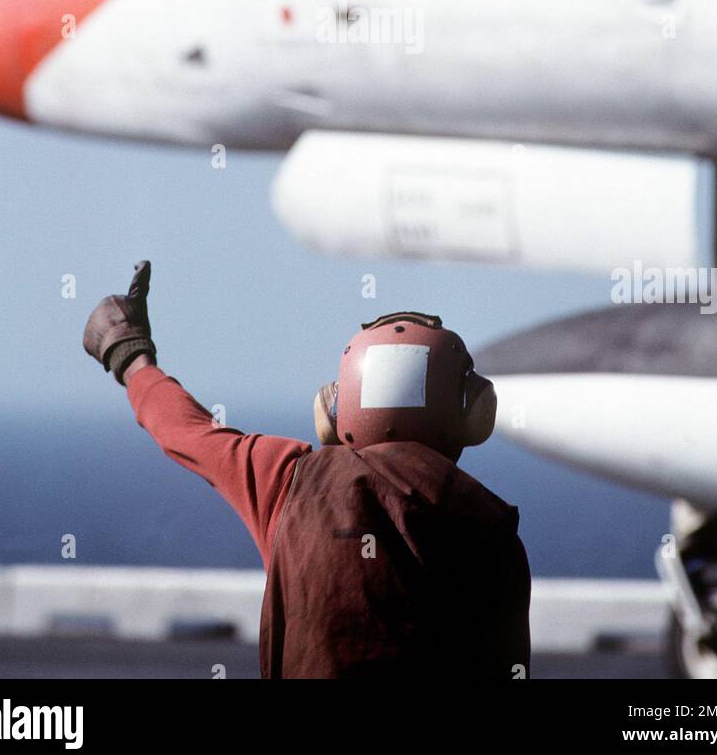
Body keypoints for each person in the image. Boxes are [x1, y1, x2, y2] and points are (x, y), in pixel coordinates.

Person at [83, 261, 531, 679]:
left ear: (335, 411)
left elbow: (186, 431)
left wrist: (128, 351)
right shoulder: (491, 528)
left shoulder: (288, 480)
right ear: (473, 411)